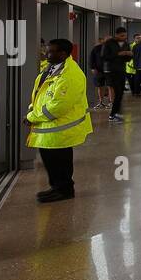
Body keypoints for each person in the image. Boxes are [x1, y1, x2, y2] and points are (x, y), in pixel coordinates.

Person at [25, 38, 92, 202]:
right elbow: (42, 93)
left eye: (50, 51)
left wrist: (32, 117)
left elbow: (59, 106)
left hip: (60, 128)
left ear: (63, 53)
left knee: (60, 162)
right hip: (49, 128)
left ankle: (64, 190)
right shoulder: (52, 68)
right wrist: (32, 110)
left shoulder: (70, 75)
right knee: (51, 161)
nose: (46, 53)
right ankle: (56, 187)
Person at [101, 27, 131, 122]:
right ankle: (114, 113)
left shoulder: (126, 44)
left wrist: (128, 55)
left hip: (121, 70)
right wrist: (118, 54)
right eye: (122, 35)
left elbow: (127, 59)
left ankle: (115, 112)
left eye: (125, 36)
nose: (124, 37)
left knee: (120, 92)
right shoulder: (109, 43)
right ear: (117, 35)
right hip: (111, 71)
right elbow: (104, 56)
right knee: (117, 92)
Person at [88, 33, 111, 111]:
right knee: (99, 86)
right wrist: (92, 68)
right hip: (99, 71)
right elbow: (92, 59)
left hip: (110, 71)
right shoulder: (96, 48)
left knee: (110, 87)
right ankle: (101, 102)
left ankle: (111, 102)